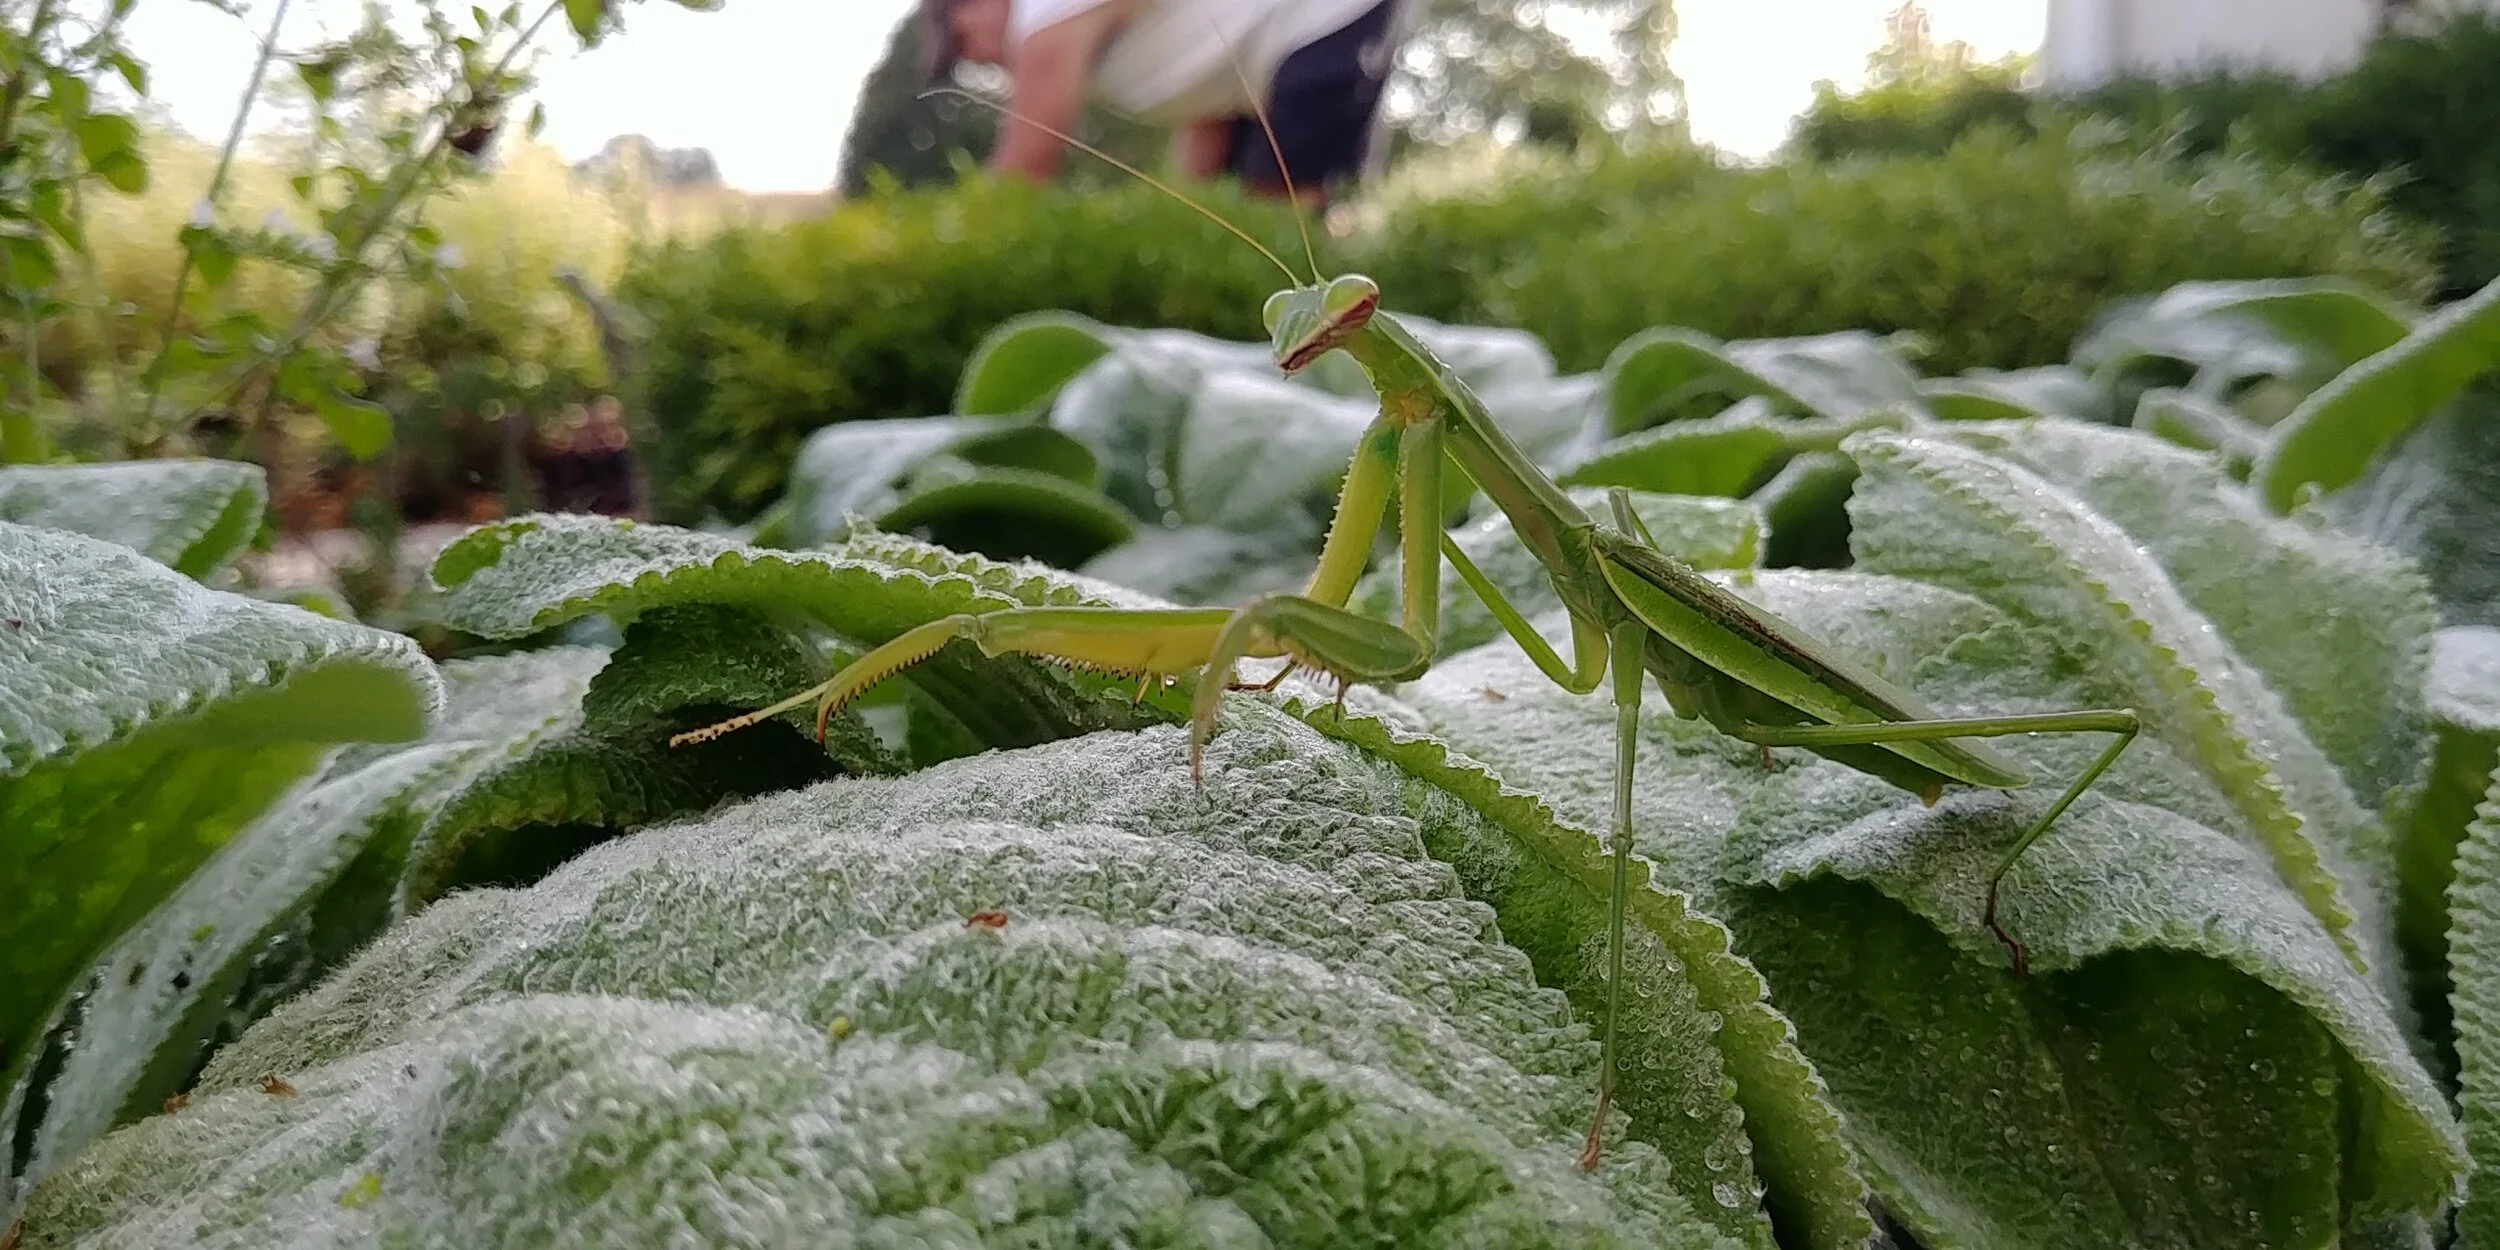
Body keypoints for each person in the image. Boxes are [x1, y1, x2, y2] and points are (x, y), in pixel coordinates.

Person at [919, 0, 1408, 201]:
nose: (975, 56)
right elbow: (1204, 106)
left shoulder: (1040, 21)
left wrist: (946, 235)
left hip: (1319, 21)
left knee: (1286, 240)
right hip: (1267, 67)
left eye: (962, 42)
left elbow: (1023, 171)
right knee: (1254, 235)